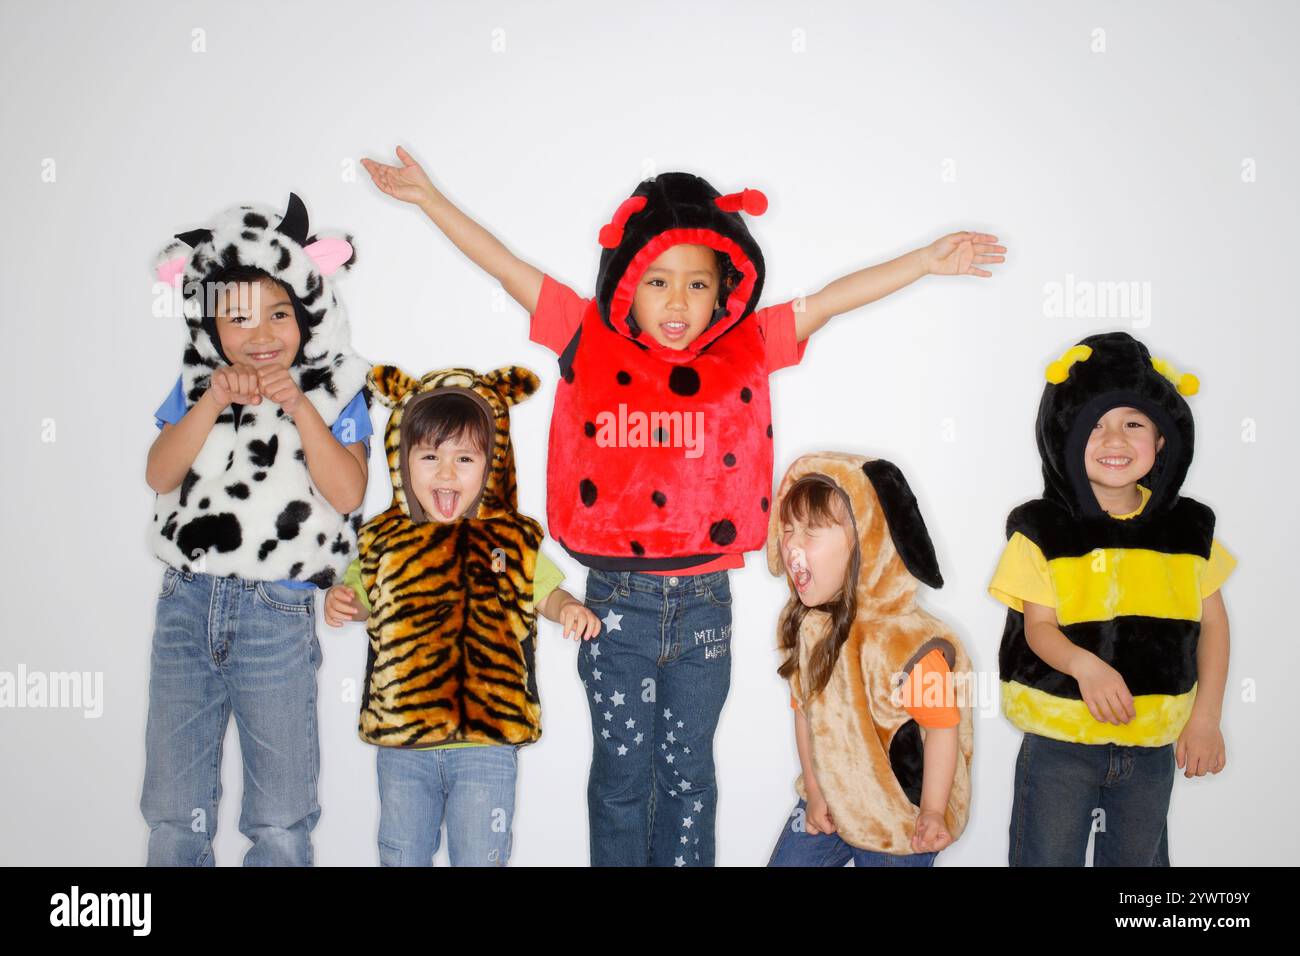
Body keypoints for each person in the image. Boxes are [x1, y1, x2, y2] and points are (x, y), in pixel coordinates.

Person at [361, 146, 1004, 865]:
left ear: (724, 288)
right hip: (616, 606)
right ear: (627, 285)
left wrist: (924, 261)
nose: (677, 301)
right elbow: (509, 268)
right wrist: (428, 199)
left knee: (690, 776)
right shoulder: (585, 334)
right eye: (659, 281)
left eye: (697, 284)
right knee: (621, 779)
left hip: (704, 609)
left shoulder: (748, 344)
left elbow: (828, 300)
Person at [142, 193, 372, 865]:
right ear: (212, 322)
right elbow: (160, 474)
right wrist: (211, 400)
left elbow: (349, 491)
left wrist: (299, 407)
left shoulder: (334, 387)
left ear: (306, 312)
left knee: (279, 815)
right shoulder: (196, 385)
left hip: (278, 607)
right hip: (187, 600)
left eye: (279, 313)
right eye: (238, 317)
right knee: (172, 808)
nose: (262, 332)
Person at [324, 364, 599, 866]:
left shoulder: (510, 539)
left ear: (491, 466)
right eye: (429, 456)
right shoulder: (382, 541)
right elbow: (359, 594)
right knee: (402, 852)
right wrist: (345, 601)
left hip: (487, 739)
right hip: (404, 741)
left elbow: (546, 592)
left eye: (464, 458)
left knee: (482, 853)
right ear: (402, 463)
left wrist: (570, 608)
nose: (446, 473)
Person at [988, 332, 1236, 866]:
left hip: (1150, 750)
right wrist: (1086, 667)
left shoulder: (1188, 531)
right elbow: (1038, 627)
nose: (1114, 440)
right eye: (1095, 425)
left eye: (1133, 423)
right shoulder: (1042, 530)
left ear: (1163, 438)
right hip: (1061, 745)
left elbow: (1214, 625)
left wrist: (1206, 717)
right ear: (1065, 437)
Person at [766, 453, 974, 866]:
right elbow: (805, 715)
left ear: (866, 540)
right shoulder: (811, 632)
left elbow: (942, 732)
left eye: (811, 531)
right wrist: (814, 786)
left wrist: (932, 811)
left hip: (897, 820)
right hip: (830, 798)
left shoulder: (908, 646)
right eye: (788, 529)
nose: (791, 544)